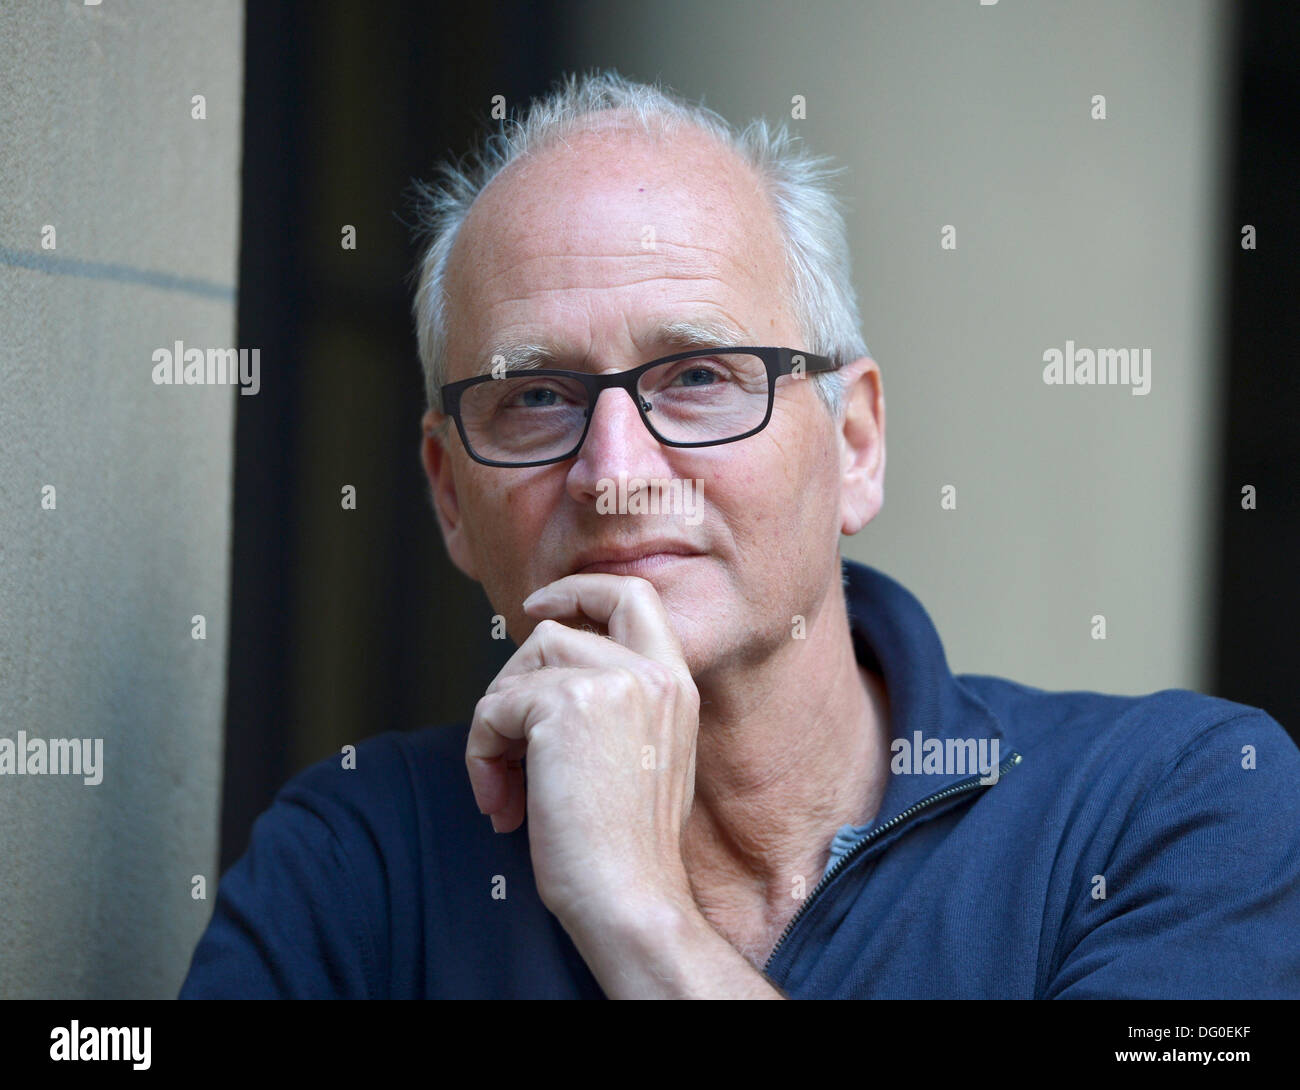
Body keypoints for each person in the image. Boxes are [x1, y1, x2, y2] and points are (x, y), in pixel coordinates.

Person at [179, 70, 1300, 1000]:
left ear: (853, 442)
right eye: (535, 398)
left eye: (701, 376)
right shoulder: (356, 864)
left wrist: (642, 917)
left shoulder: (1172, 806)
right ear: (445, 494)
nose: (614, 475)